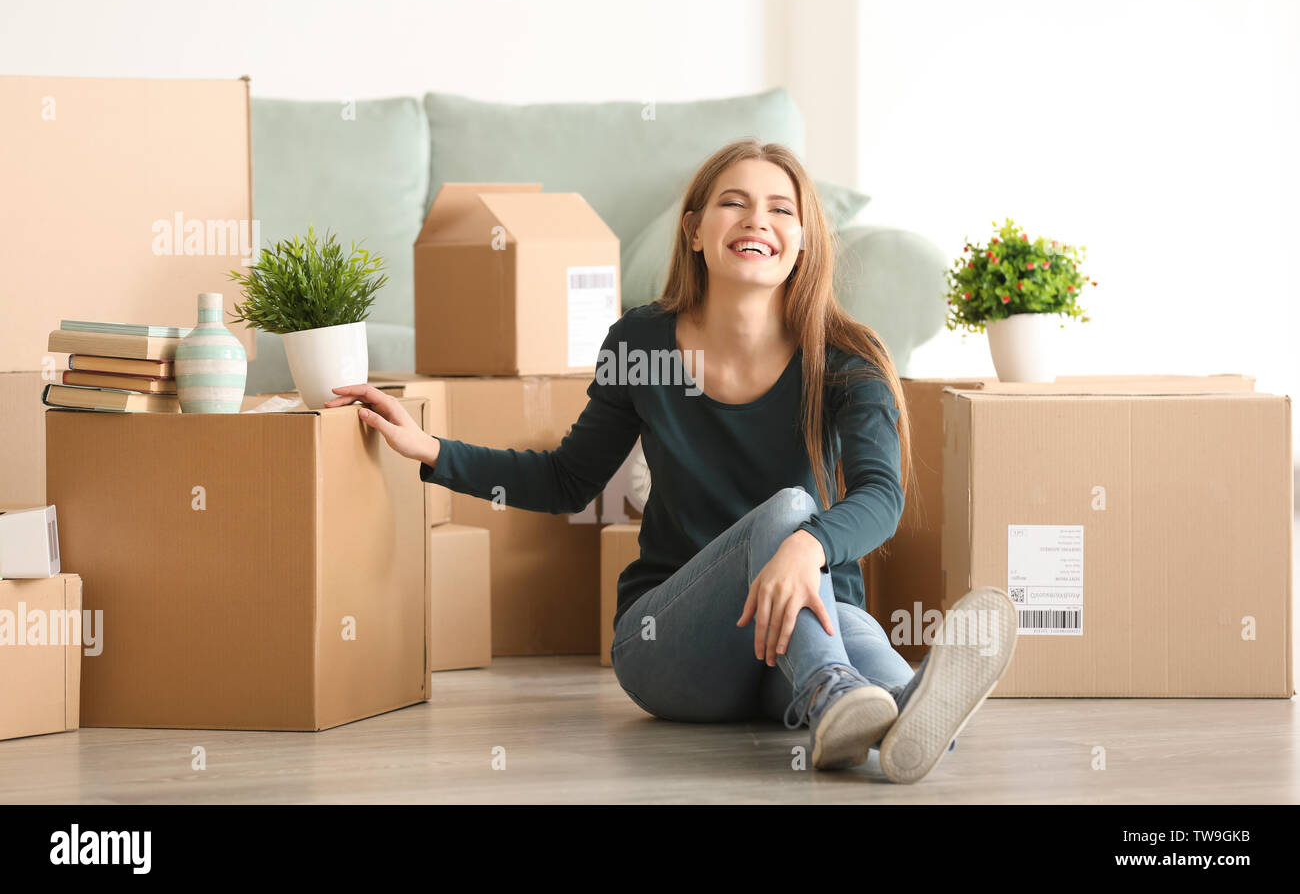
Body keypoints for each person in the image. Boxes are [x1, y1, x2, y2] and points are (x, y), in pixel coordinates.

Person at [326, 138, 1016, 783]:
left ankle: (884, 711)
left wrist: (808, 551)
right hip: (674, 649)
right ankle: (872, 692)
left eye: (782, 209)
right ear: (693, 231)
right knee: (790, 511)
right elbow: (569, 481)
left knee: (834, 609)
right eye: (733, 203)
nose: (758, 220)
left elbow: (880, 496)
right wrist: (435, 452)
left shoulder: (847, 357)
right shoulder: (641, 342)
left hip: (795, 639)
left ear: (804, 242)